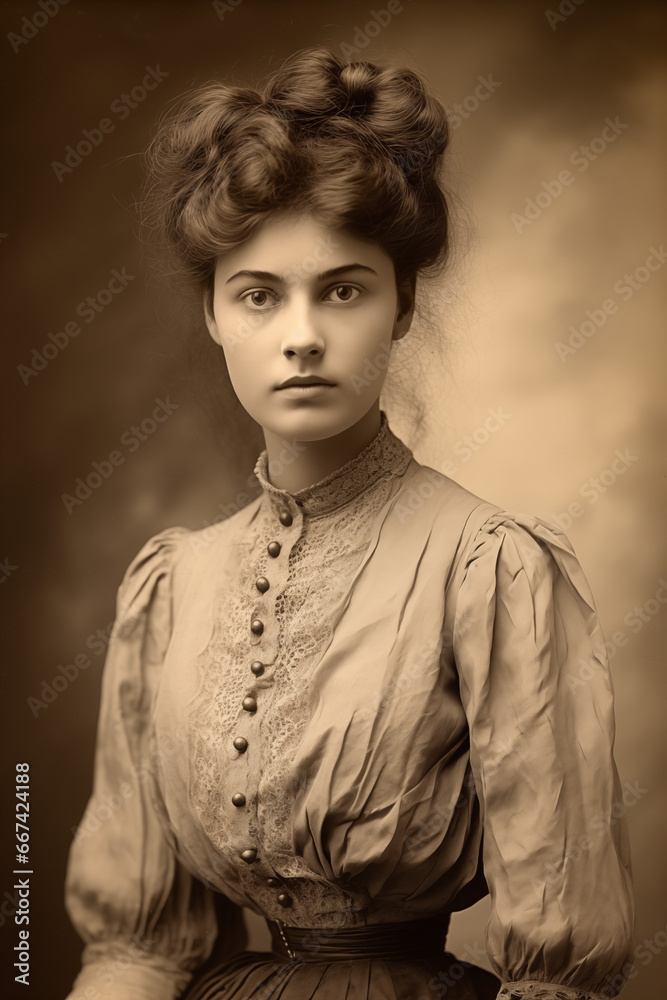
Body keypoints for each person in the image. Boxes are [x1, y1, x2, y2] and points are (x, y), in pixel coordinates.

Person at [63, 46, 635, 1000]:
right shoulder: (171, 587)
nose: (301, 335)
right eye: (257, 295)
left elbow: (561, 972)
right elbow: (135, 951)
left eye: (343, 289)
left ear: (402, 306)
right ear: (211, 313)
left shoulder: (486, 568)